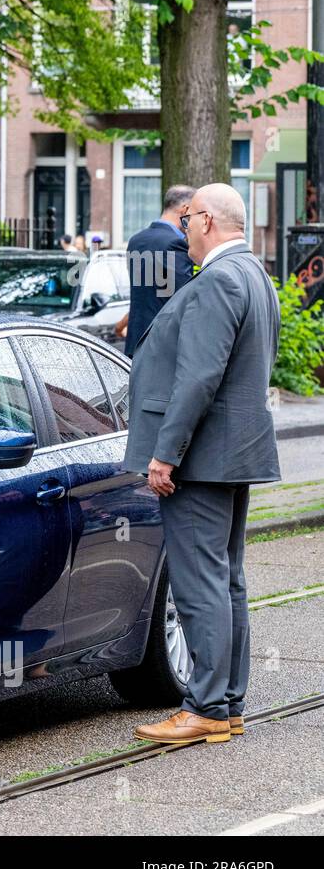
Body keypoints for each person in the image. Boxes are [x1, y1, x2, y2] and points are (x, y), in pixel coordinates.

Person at [124, 183, 280, 745]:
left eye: (187, 218)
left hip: (201, 459)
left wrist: (166, 453)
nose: (181, 227)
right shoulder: (255, 276)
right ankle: (228, 702)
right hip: (232, 453)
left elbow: (199, 377)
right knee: (226, 579)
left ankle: (207, 705)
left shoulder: (217, 281)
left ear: (208, 220)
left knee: (199, 583)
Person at [116, 185, 195, 356]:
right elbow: (184, 297)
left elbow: (145, 294)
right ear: (185, 210)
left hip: (135, 340)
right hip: (161, 347)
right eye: (194, 213)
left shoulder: (136, 240)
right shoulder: (177, 244)